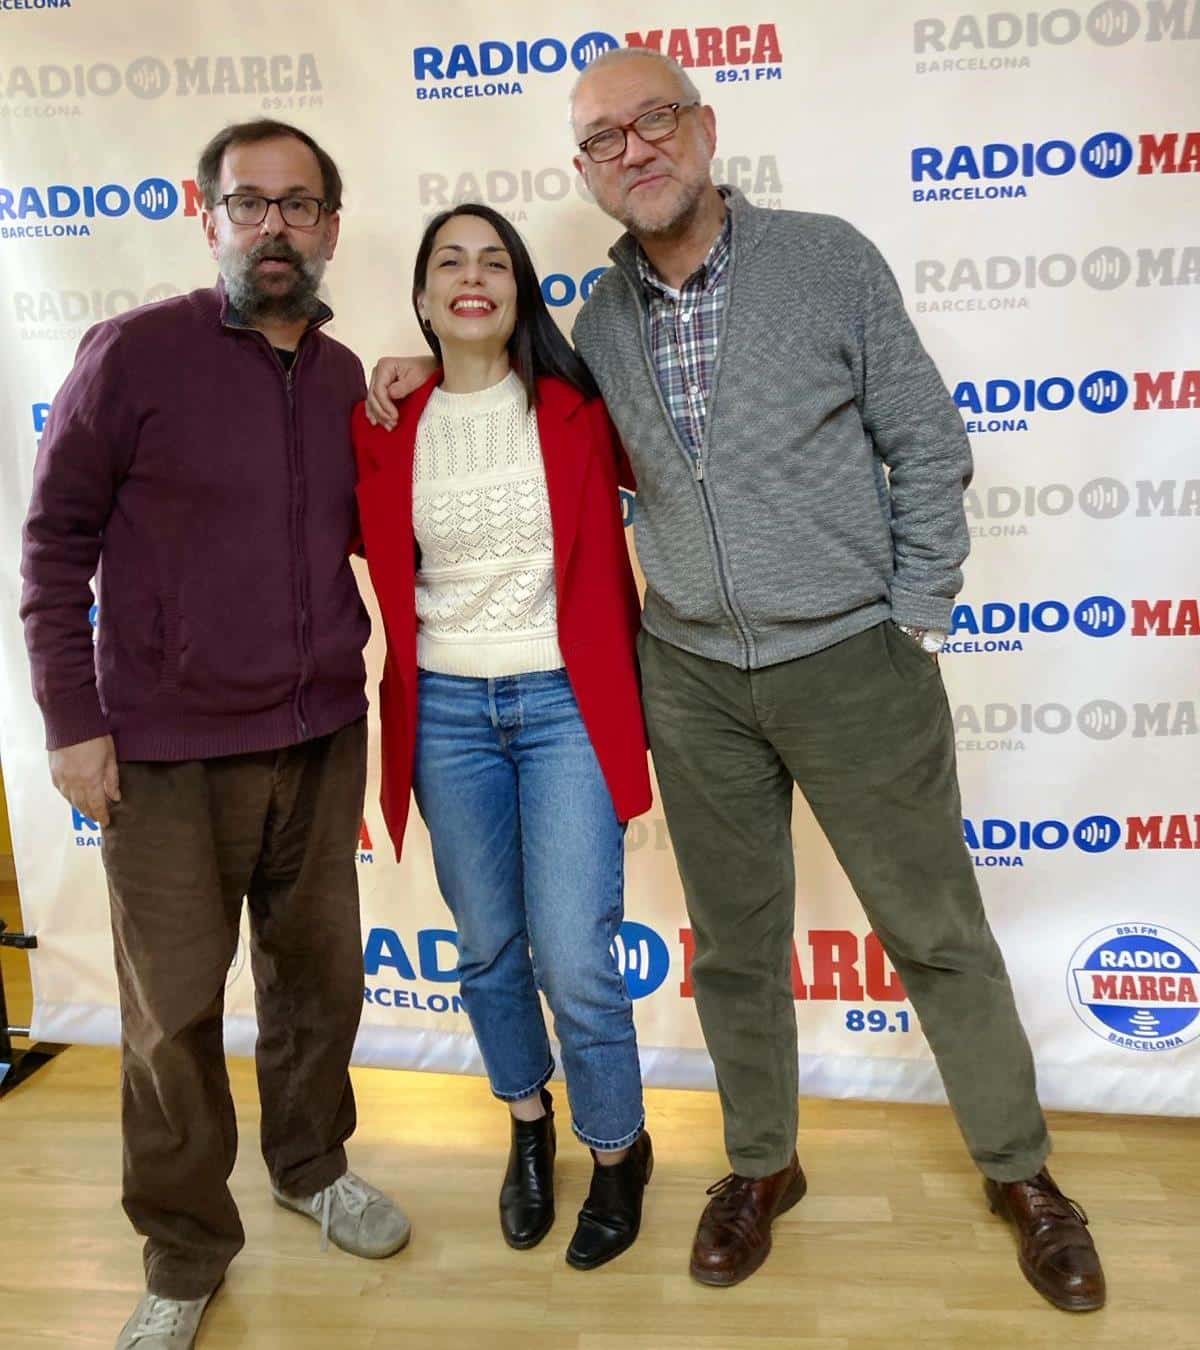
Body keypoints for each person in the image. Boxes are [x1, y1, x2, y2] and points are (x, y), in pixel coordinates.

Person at [368, 48, 1106, 1312]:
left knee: (934, 933)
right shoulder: (596, 323)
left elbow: (925, 440)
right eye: (603, 138)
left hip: (853, 662)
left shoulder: (826, 258)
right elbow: (504, 413)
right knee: (739, 949)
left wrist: (915, 618)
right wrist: (403, 373)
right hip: (695, 679)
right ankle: (762, 1165)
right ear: (588, 171)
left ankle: (1022, 1173)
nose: (634, 150)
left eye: (653, 120)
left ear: (703, 129)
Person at [21, 119, 410, 1350]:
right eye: (251, 204)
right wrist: (72, 721)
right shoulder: (132, 355)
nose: (276, 228)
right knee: (174, 1014)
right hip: (164, 755)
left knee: (318, 989)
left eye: (300, 207)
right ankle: (185, 1250)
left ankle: (309, 1165)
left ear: (332, 227)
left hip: (317, 734)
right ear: (209, 219)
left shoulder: (349, 380)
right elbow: (51, 549)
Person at [351, 203, 654, 1270]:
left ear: (521, 289)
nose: (473, 276)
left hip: (567, 706)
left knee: (575, 954)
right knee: (486, 951)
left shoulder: (578, 410)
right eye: (449, 263)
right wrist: (399, 373)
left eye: (495, 261)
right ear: (425, 297)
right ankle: (528, 1127)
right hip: (445, 716)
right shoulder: (381, 422)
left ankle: (617, 1150)